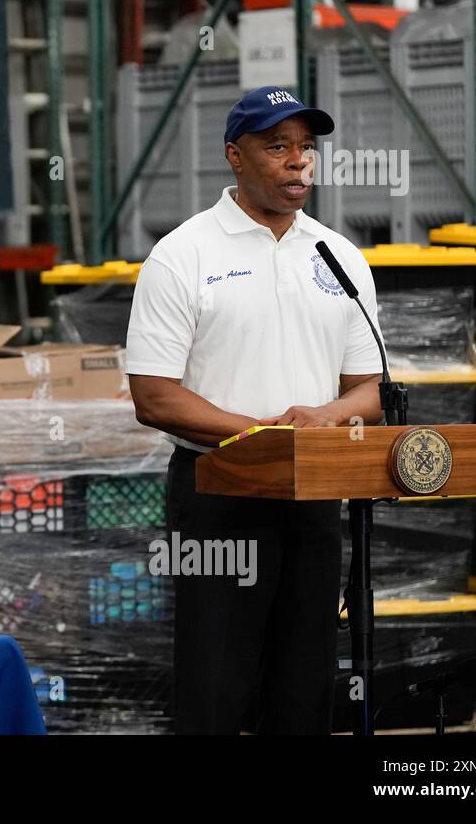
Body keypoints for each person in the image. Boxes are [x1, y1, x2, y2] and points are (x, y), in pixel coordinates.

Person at [125, 86, 385, 734]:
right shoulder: (183, 255)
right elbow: (154, 396)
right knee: (216, 686)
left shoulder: (339, 257)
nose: (299, 162)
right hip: (219, 497)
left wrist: (325, 418)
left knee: (302, 690)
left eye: (307, 147)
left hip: (315, 500)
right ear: (234, 157)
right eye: (278, 147)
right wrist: (265, 435)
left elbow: (372, 390)